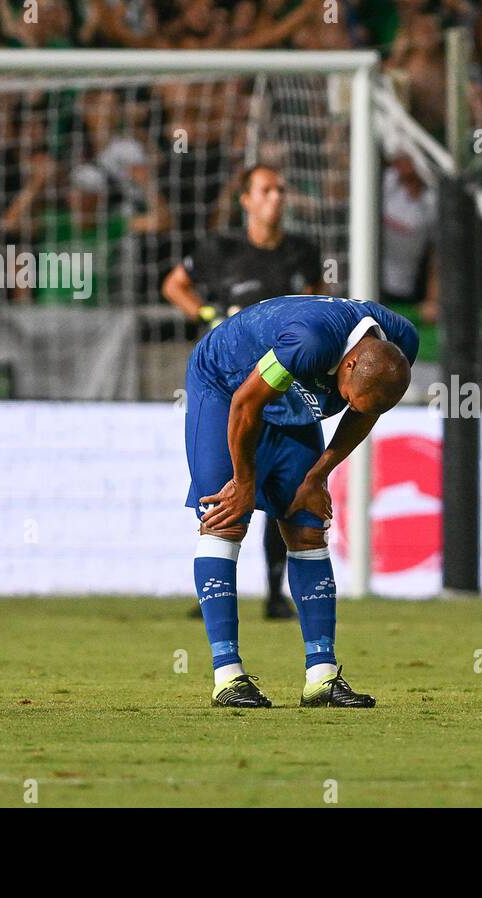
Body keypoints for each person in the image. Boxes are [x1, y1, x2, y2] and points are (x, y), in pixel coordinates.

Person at [184, 294, 417, 708]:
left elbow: (365, 410)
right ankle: (227, 676)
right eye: (347, 395)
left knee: (308, 524)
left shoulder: (401, 343)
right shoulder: (310, 340)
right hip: (227, 385)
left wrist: (318, 475)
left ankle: (322, 677)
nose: (348, 406)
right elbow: (247, 402)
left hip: (292, 392)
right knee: (226, 518)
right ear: (347, 365)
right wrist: (243, 481)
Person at [163, 164, 322, 620]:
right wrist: (208, 314)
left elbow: (317, 300)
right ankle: (216, 590)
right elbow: (174, 284)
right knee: (224, 484)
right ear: (246, 201)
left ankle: (275, 591)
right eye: (266, 190)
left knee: (282, 493)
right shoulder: (220, 249)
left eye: (281, 189)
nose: (276, 197)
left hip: (285, 391)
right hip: (229, 387)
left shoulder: (303, 253)